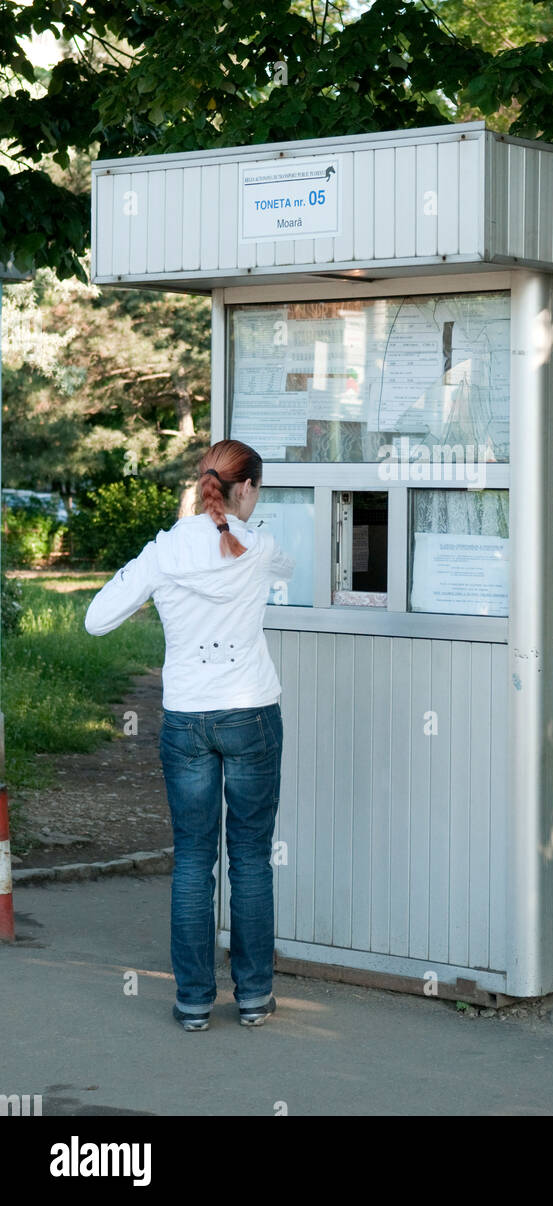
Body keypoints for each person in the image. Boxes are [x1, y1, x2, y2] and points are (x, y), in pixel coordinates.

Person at [84, 439, 295, 1031]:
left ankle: (194, 1002)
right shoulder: (261, 545)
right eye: (259, 490)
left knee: (193, 860)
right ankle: (253, 997)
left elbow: (96, 620)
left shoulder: (167, 550)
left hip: (187, 721)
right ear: (246, 488)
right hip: (251, 712)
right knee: (251, 858)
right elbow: (290, 570)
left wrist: (152, 581)